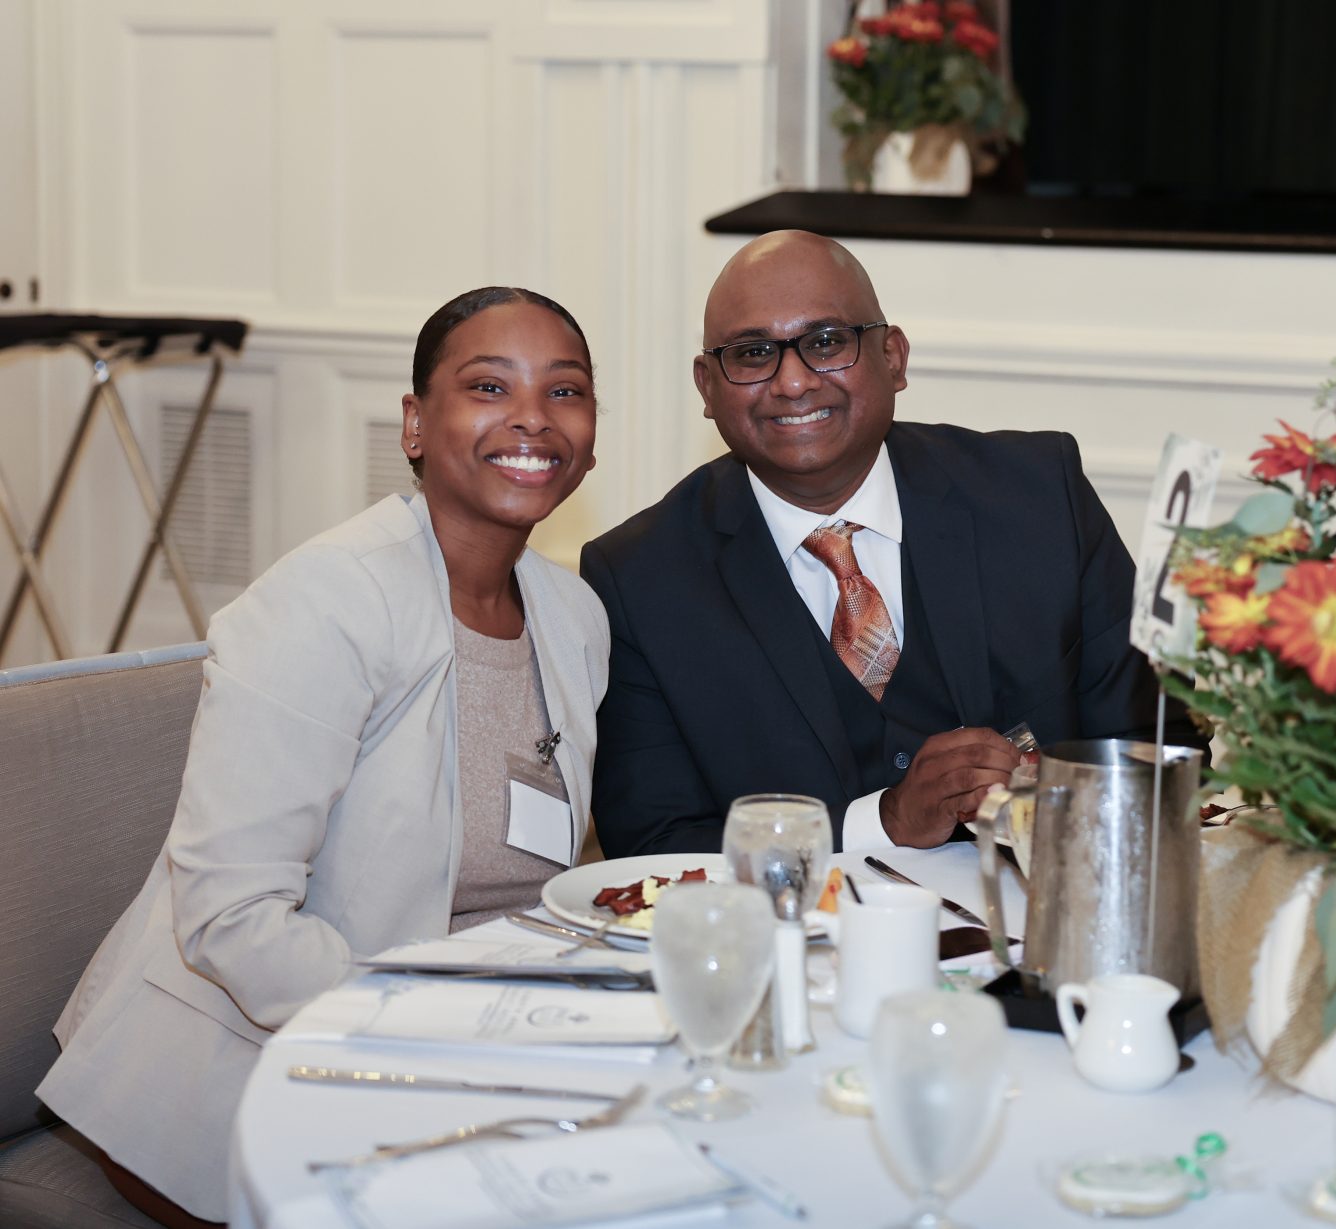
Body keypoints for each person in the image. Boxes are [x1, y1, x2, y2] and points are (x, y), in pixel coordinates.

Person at [37, 286, 609, 1226]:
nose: (532, 420)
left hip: (486, 1048)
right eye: (487, 386)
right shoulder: (325, 602)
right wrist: (445, 1033)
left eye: (566, 391)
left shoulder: (575, 619)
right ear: (416, 425)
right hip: (251, 1075)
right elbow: (231, 917)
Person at [581, 230, 1194, 858]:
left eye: (825, 343)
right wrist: (885, 824)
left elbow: (1157, 751)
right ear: (708, 388)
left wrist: (1046, 802)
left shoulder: (1040, 496)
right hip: (797, 947)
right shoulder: (639, 580)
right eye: (752, 352)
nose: (791, 382)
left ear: (894, 358)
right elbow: (656, 847)